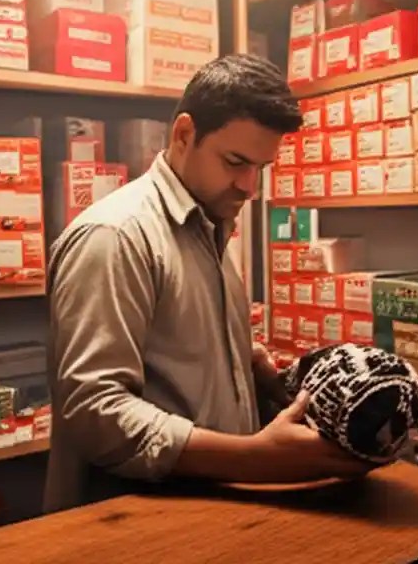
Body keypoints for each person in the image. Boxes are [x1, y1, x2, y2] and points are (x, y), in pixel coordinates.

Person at [44, 54, 371, 513]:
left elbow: (180, 351)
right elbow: (96, 412)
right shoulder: (115, 237)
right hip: (131, 530)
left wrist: (258, 370)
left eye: (261, 167)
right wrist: (257, 460)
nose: (249, 187)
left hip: (212, 517)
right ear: (183, 135)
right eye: (236, 162)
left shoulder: (211, 224)